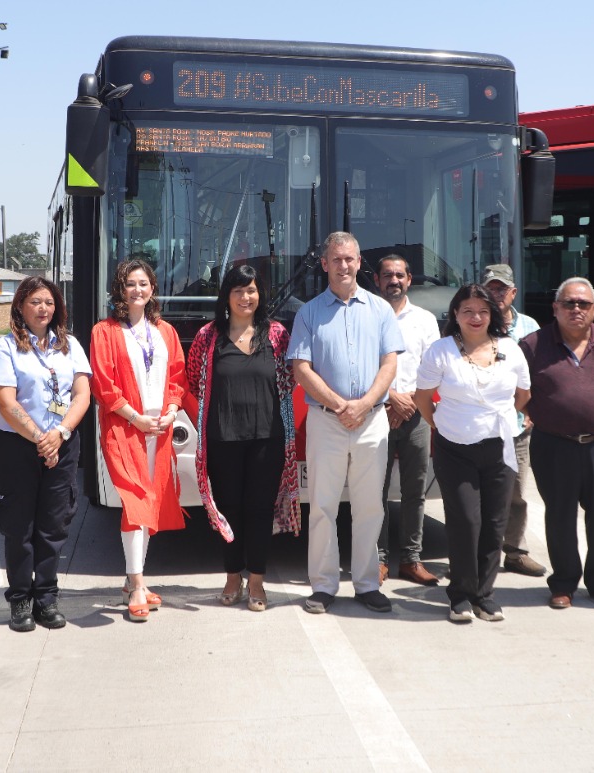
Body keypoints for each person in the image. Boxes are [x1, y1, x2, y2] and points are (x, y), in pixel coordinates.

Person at [287, 231, 404, 614]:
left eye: (350, 259)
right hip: (327, 422)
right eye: (336, 259)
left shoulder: (381, 310)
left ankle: (368, 584)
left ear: (359, 263)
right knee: (322, 506)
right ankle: (323, 586)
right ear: (324, 265)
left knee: (371, 505)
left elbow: (390, 363)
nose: (344, 266)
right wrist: (341, 406)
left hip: (371, 421)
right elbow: (301, 369)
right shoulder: (308, 313)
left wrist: (365, 404)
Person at [184, 264, 300, 612]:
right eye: (238, 290)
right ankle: (233, 574)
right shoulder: (208, 336)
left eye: (251, 290)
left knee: (260, 509)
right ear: (227, 296)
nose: (245, 297)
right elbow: (194, 379)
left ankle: (258, 582)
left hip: (268, 437)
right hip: (223, 438)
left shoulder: (277, 334)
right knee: (230, 509)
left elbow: (290, 379)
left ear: (259, 294)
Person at [414, 284, 530, 622]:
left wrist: (508, 419)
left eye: (482, 311)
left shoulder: (511, 349)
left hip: (500, 447)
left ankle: (484, 594)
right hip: (455, 448)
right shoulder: (441, 350)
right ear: (455, 315)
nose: (475, 317)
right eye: (467, 310)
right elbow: (423, 397)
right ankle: (461, 595)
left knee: (495, 523)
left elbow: (523, 395)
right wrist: (437, 424)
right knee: (466, 521)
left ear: (493, 314)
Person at [0, 276, 92, 632]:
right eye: (35, 302)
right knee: (19, 527)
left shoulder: (70, 345)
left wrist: (59, 435)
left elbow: (82, 396)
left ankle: (46, 598)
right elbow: (4, 399)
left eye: (48, 302)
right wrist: (39, 438)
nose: (43, 308)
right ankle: (20, 599)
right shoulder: (5, 347)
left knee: (53, 526)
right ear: (20, 306)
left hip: (61, 443)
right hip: (16, 447)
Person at [520, 277, 594, 610]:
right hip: (553, 445)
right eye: (568, 303)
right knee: (560, 516)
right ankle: (564, 583)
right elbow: (520, 392)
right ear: (555, 308)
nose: (575, 309)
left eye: (583, 304)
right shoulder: (532, 345)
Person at [90, 259, 187, 622]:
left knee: (150, 503)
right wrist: (136, 418)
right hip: (125, 426)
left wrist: (173, 410)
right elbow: (103, 383)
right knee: (135, 502)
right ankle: (137, 583)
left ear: (152, 289)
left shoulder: (165, 331)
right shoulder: (105, 331)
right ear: (120, 289)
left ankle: (135, 580)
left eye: (143, 283)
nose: (138, 290)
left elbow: (177, 375)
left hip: (159, 428)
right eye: (130, 284)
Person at [374, 254, 441, 586]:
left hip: (415, 416)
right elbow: (358, 367)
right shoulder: (367, 315)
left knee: (415, 491)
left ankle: (411, 560)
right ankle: (379, 560)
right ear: (376, 280)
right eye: (387, 275)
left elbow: (432, 369)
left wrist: (408, 404)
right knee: (376, 490)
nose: (394, 280)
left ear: (410, 279)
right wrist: (389, 399)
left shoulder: (426, 320)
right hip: (377, 414)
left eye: (399, 275)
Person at [482, 263, 546, 578]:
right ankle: (477, 555)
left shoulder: (531, 328)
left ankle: (516, 553)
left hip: (517, 427)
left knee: (516, 493)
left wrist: (532, 411)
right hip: (479, 427)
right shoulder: (473, 321)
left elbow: (541, 377)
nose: (496, 295)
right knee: (478, 493)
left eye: (501, 289)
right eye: (490, 288)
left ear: (513, 292)